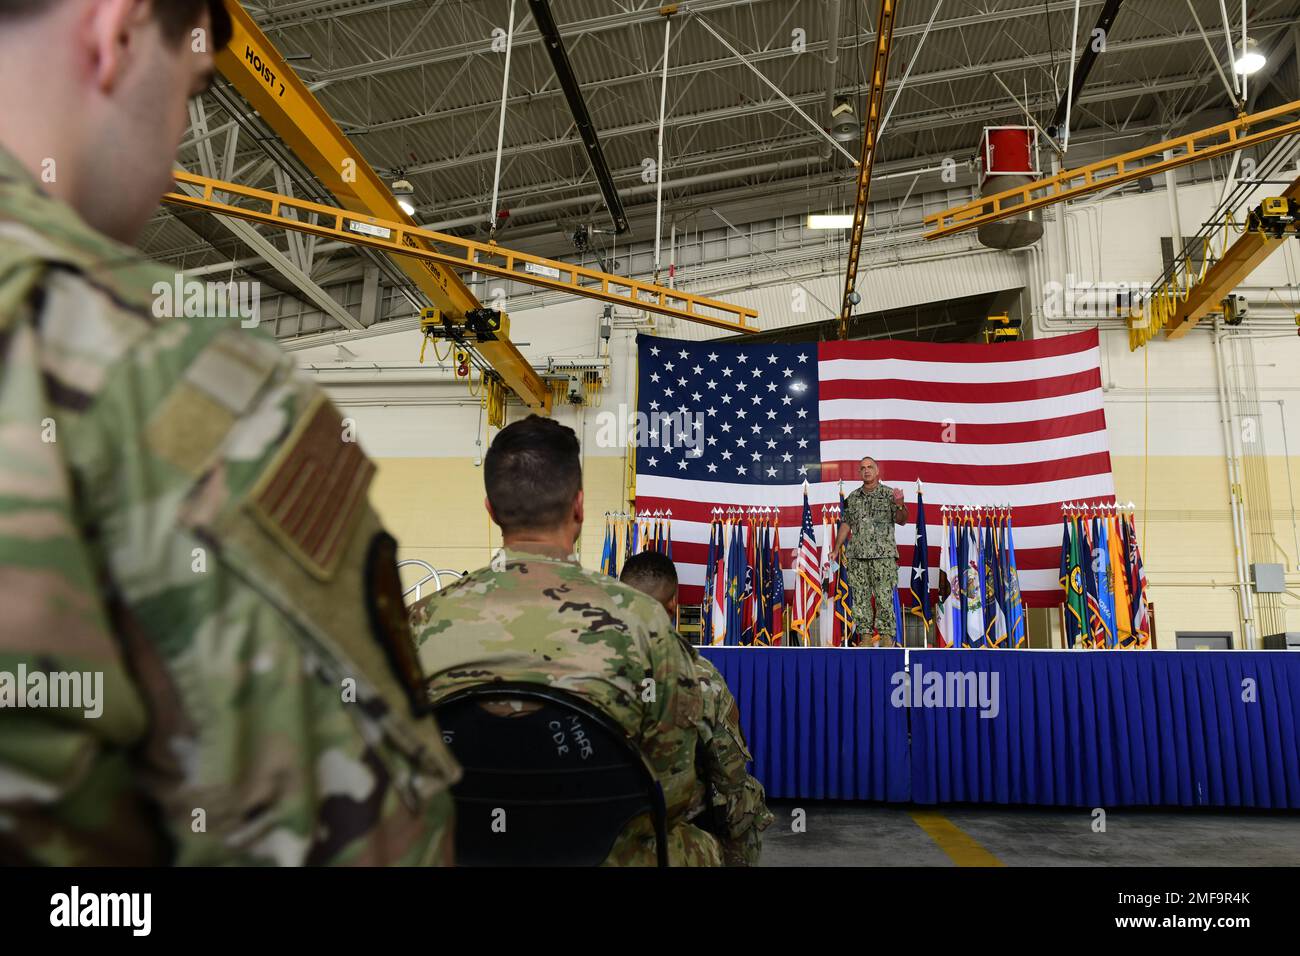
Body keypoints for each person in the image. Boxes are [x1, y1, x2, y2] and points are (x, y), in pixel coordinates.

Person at [0, 0, 459, 866]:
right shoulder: (168, 379)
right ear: (119, 29)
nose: (177, 142)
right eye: (193, 92)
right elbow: (364, 842)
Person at [409, 415, 722, 866]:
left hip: (460, 852)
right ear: (579, 507)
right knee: (699, 848)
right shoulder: (643, 621)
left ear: (491, 510)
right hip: (599, 854)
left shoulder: (419, 623)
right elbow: (671, 790)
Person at [619, 550, 773, 866]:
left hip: (594, 824)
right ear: (673, 603)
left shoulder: (587, 670)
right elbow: (729, 777)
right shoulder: (700, 677)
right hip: (670, 829)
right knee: (745, 797)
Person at [834, 456, 907, 647]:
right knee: (860, 598)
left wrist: (900, 504)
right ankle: (865, 636)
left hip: (883, 557)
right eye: (863, 468)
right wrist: (836, 549)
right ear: (859, 472)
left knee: (884, 598)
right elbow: (846, 524)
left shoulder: (889, 494)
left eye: (870, 467)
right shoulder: (852, 498)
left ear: (877, 471)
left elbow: (902, 519)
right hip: (858, 557)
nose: (866, 470)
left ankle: (886, 636)